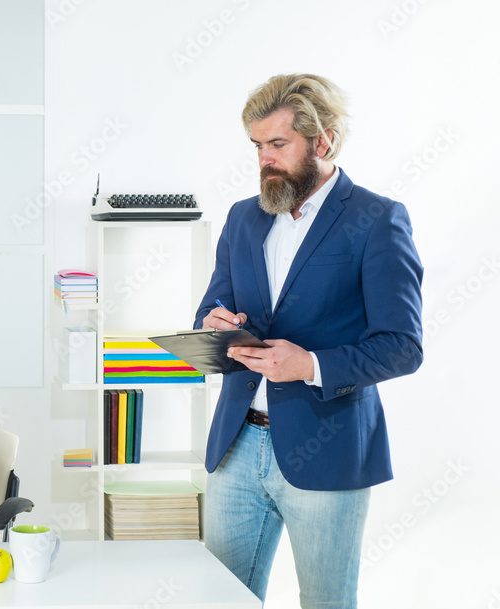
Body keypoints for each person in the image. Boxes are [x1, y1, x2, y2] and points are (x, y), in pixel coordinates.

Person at [194, 74, 423, 608]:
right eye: (257, 146)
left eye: (278, 144)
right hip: (236, 445)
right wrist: (213, 325)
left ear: (324, 141)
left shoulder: (377, 219)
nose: (264, 160)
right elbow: (211, 307)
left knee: (325, 601)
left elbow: (403, 344)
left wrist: (312, 364)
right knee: (220, 598)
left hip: (328, 448)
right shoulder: (243, 217)